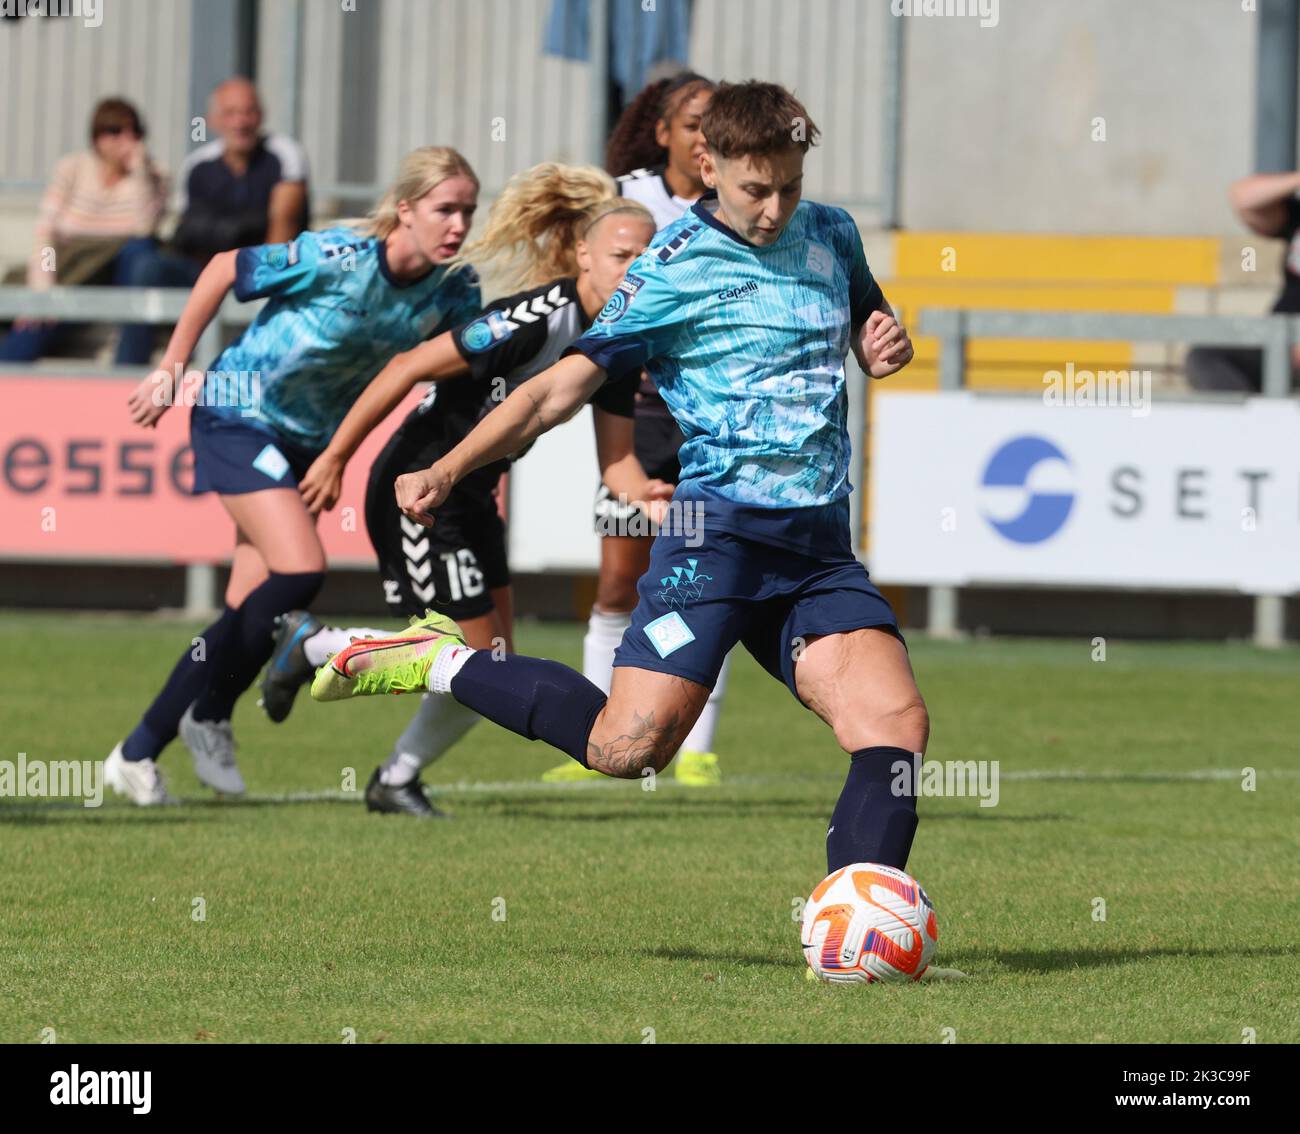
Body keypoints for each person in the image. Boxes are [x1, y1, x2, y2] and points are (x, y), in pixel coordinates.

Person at [310, 82, 928, 886]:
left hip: (816, 548)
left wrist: (881, 344)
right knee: (625, 747)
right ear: (708, 163)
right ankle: (435, 659)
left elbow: (867, 323)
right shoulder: (673, 265)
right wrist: (452, 464)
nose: (775, 208)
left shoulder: (833, 236)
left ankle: (856, 922)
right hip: (720, 540)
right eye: (754, 189)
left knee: (894, 723)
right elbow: (556, 389)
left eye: (790, 186)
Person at [257, 165, 662, 817]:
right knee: (476, 659)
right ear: (583, 255)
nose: (636, 269)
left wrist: (655, 499)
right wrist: (336, 456)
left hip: (473, 500)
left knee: (493, 664)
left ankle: (396, 778)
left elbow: (619, 466)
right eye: (622, 255)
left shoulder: (619, 343)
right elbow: (406, 365)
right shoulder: (533, 319)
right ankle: (313, 645)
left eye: (649, 257)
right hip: (419, 490)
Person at [104, 146, 481, 806]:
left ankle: (145, 746)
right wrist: (171, 366)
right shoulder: (340, 257)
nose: (458, 224)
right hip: (236, 411)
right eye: (444, 209)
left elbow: (443, 375)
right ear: (405, 210)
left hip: (308, 443)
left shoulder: (455, 292)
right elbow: (225, 267)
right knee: (301, 569)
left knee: (250, 607)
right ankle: (210, 714)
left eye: (468, 212)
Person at [542, 72, 729, 789]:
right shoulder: (625, 195)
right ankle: (594, 737)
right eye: (691, 123)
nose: (704, 136)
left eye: (716, 124)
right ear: (663, 133)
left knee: (707, 577)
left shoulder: (738, 205)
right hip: (639, 409)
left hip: (710, 413)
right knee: (621, 578)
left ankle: (699, 747)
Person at [114, 77, 311, 366]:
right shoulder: (198, 165)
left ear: (261, 116)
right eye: (231, 113)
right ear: (214, 120)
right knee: (142, 260)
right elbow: (187, 234)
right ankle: (130, 368)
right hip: (205, 273)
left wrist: (226, 237)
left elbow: (279, 239)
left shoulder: (285, 155)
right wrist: (242, 229)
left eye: (248, 112)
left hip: (259, 273)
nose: (240, 122)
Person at [0, 97, 167, 363]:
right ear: (97, 135)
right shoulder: (72, 168)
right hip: (73, 274)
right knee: (30, 330)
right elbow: (46, 234)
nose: (126, 138)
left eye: (134, 131)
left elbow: (145, 227)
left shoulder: (153, 174)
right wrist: (42, 293)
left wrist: (139, 173)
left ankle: (128, 366)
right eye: (114, 130)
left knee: (140, 251)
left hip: (118, 276)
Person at [1185, 169, 1300, 392]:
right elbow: (1243, 198)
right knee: (1206, 359)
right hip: (1278, 342)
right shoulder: (1295, 216)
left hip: (1290, 344)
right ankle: (1244, 425)